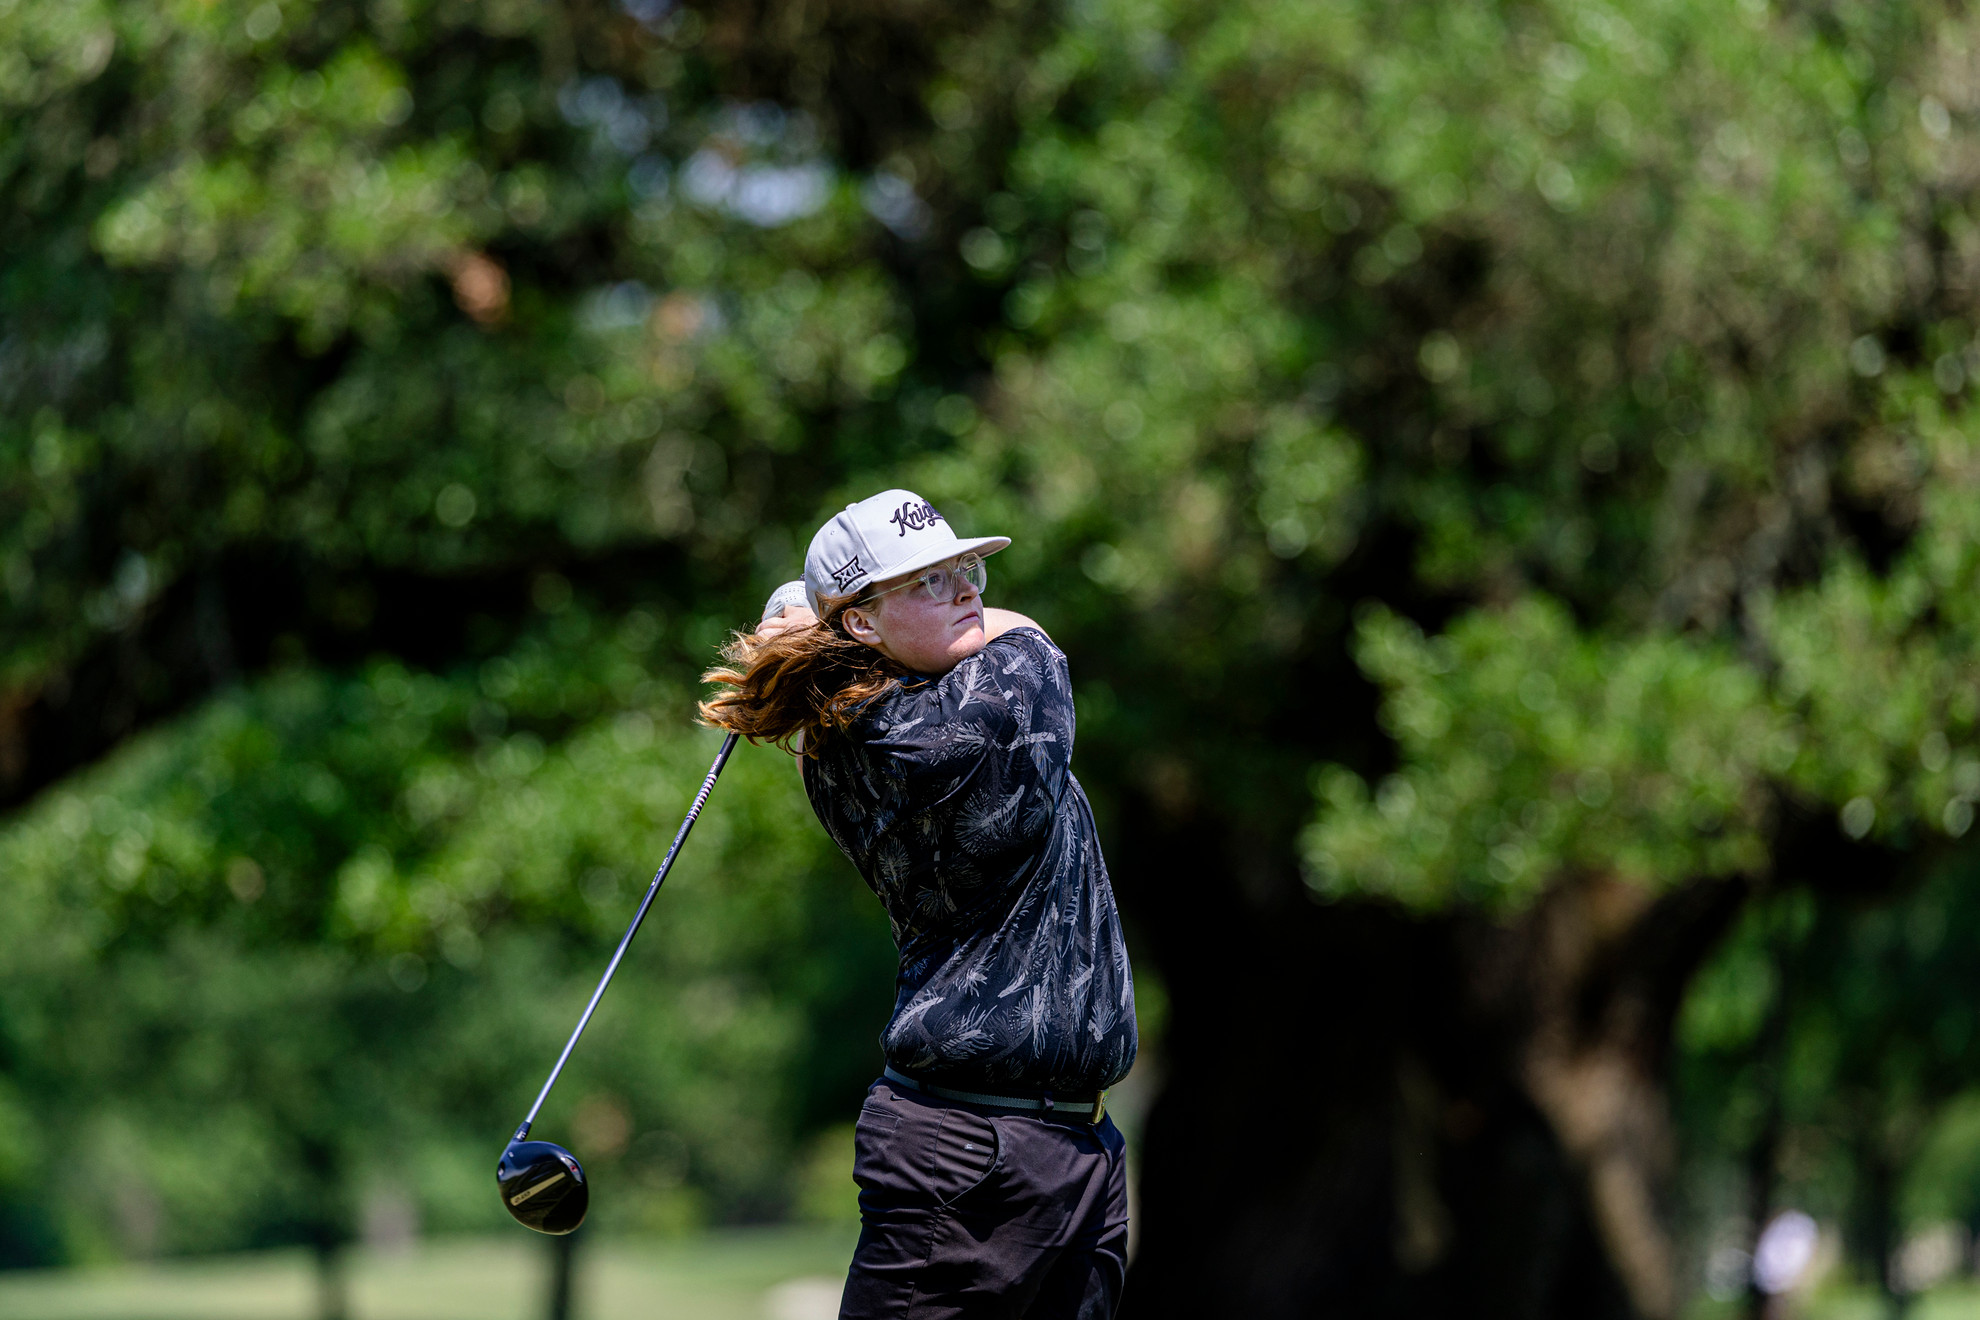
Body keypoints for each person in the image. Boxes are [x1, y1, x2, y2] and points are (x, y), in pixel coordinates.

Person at [700, 489, 1138, 1319]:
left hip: (1064, 1148)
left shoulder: (832, 740)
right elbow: (1028, 638)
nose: (968, 589)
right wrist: (831, 624)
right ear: (861, 624)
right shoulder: (985, 712)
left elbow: (899, 660)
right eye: (928, 581)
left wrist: (827, 623)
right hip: (972, 1154)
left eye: (964, 568)